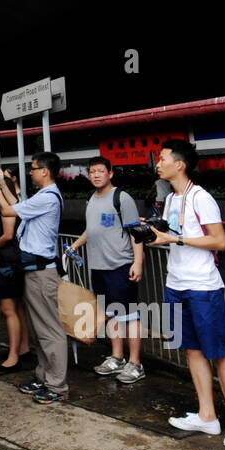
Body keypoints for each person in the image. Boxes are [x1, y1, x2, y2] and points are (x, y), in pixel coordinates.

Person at [143, 139, 225, 449]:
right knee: (191, 350)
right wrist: (157, 232)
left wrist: (177, 239)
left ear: (180, 164)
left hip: (203, 287)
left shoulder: (201, 198)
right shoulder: (172, 199)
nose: (157, 164)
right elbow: (175, 236)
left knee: (219, 353)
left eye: (162, 159)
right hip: (175, 283)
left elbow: (219, 241)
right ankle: (207, 416)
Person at [0, 152, 69, 405]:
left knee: (50, 330)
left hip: (42, 273)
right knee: (40, 330)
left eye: (34, 168)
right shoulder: (44, 197)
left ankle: (57, 386)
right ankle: (44, 378)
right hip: (34, 270)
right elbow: (18, 204)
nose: (31, 172)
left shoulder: (47, 197)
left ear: (45, 171)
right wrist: (2, 182)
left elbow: (9, 210)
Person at [68, 157, 146, 383]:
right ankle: (117, 357)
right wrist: (74, 245)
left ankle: (136, 363)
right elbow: (91, 230)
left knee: (130, 315)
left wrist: (137, 262)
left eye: (100, 171)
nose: (95, 175)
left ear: (110, 173)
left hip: (120, 266)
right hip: (98, 268)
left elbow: (136, 233)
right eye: (92, 171)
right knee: (111, 313)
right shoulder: (91, 199)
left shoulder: (121, 198)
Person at [0, 169, 31, 375]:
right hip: (13, 263)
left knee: (8, 310)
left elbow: (8, 234)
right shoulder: (14, 203)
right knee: (17, 308)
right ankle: (24, 348)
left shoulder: (7, 208)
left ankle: (12, 357)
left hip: (7, 264)